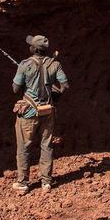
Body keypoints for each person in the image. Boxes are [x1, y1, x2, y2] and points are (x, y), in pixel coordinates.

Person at [12, 34, 68, 193]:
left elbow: (15, 89)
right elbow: (64, 85)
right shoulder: (54, 64)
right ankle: (46, 182)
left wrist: (25, 80)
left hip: (29, 112)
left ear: (33, 49)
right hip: (48, 111)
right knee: (46, 145)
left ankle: (23, 183)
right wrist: (55, 96)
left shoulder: (25, 64)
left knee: (24, 147)